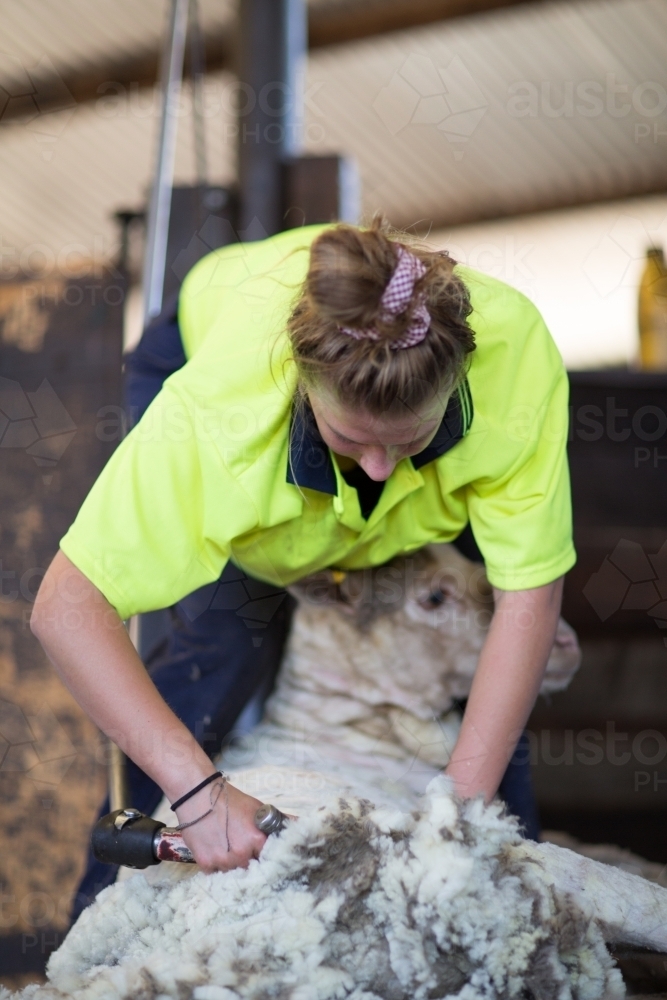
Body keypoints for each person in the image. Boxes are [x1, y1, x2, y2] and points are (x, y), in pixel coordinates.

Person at [31, 220, 574, 906]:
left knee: (484, 646)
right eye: (351, 439)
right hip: (211, 379)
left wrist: (457, 821)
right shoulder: (219, 420)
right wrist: (199, 796)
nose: (378, 466)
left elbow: (526, 597)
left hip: (430, 498)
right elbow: (65, 609)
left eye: (408, 438)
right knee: (225, 644)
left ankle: (512, 907)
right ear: (302, 385)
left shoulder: (514, 366)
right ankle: (93, 927)